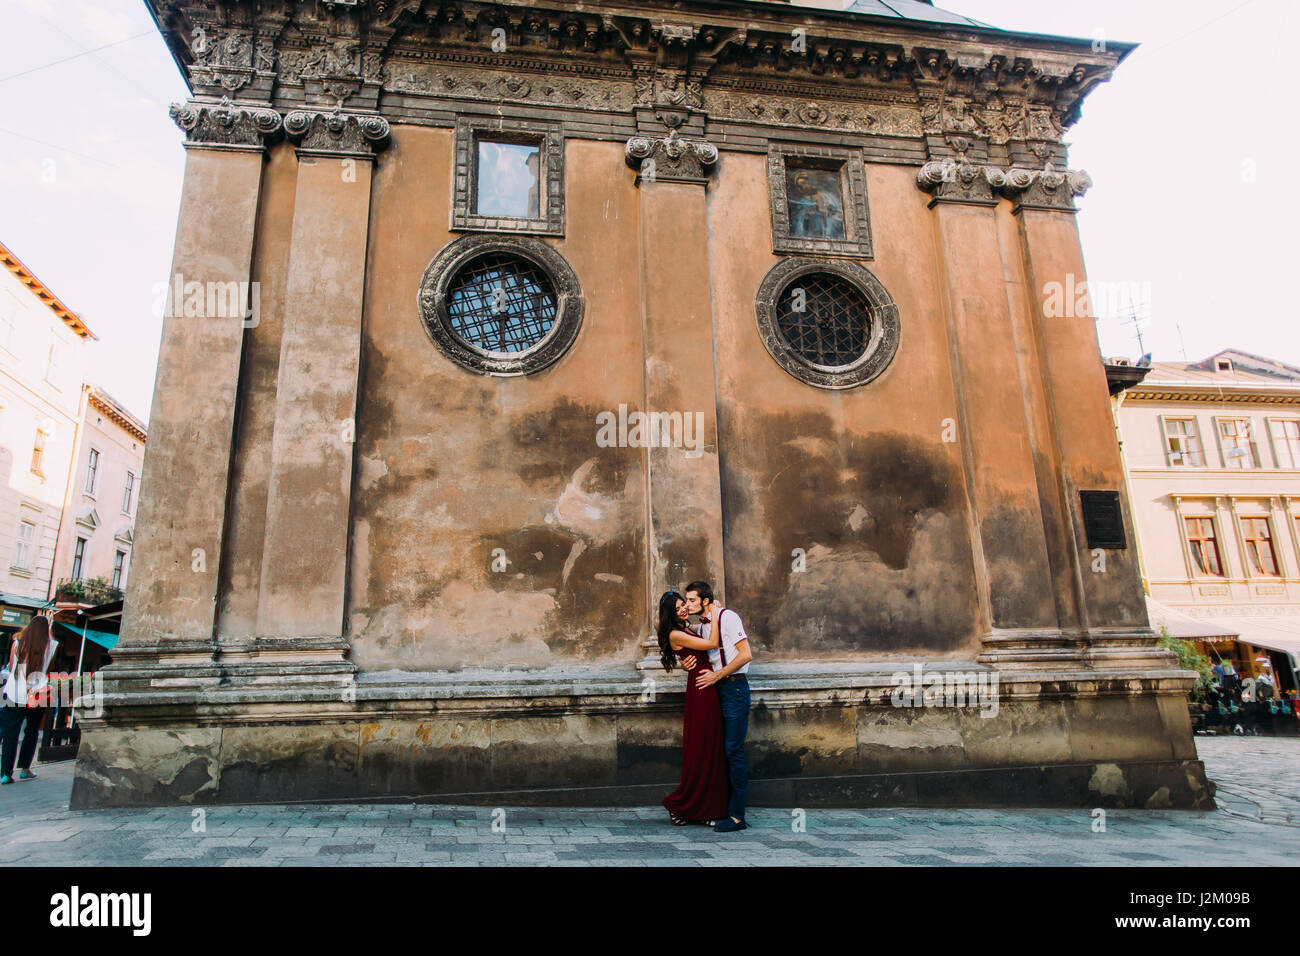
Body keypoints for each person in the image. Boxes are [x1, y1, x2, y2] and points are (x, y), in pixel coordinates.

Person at [682, 580, 753, 833]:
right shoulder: (701, 627)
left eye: (692, 600)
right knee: (717, 750)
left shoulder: (728, 617)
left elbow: (746, 654)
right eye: (686, 600)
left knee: (733, 750)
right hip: (716, 691)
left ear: (705, 601)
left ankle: (738, 816)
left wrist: (717, 675)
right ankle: (717, 808)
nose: (688, 604)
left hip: (733, 688)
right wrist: (687, 663)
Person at [658, 591, 728, 826]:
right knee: (704, 745)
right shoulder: (676, 633)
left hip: (705, 683)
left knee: (710, 745)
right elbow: (712, 643)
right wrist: (717, 614)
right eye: (678, 607)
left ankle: (707, 806)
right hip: (702, 687)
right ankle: (686, 806)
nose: (683, 609)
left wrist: (711, 610)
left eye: (684, 604)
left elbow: (703, 637)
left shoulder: (686, 628)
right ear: (670, 613)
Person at [1, 615, 57, 785]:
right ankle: (25, 769)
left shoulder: (18, 642)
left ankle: (5, 773)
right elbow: (49, 669)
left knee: (11, 733)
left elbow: (11, 667)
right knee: (31, 732)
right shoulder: (52, 646)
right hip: (37, 694)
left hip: (15, 693)